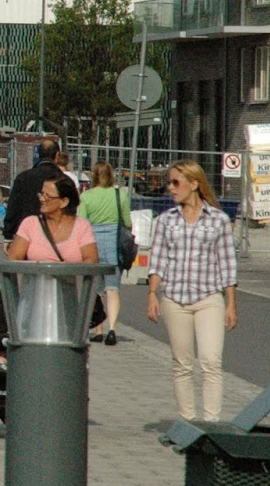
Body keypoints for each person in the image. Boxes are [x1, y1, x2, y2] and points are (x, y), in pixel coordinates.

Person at [147, 161, 238, 422]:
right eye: (170, 182)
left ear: (194, 183)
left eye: (176, 182)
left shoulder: (218, 220)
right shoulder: (166, 220)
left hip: (208, 297)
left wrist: (231, 303)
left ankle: (211, 424)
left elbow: (227, 264)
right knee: (182, 364)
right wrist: (152, 294)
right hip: (175, 299)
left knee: (211, 362)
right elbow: (158, 261)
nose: (171, 188)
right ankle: (188, 423)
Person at [0, 142, 66, 364]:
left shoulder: (24, 178)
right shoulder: (64, 181)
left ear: (38, 155)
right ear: (57, 155)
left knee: (14, 291)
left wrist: (8, 236)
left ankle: (3, 347)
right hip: (56, 248)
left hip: (24, 245)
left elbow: (12, 209)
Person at [79, 161, 132, 345]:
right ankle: (112, 329)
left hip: (92, 245)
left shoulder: (86, 196)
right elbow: (127, 222)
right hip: (113, 245)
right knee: (112, 289)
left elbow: (81, 222)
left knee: (95, 289)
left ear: (93, 176)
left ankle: (98, 329)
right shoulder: (119, 194)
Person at [6, 172, 98, 264]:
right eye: (42, 194)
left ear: (64, 202)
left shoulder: (82, 226)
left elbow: (91, 260)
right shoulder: (30, 224)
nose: (41, 199)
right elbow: (14, 258)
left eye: (48, 196)